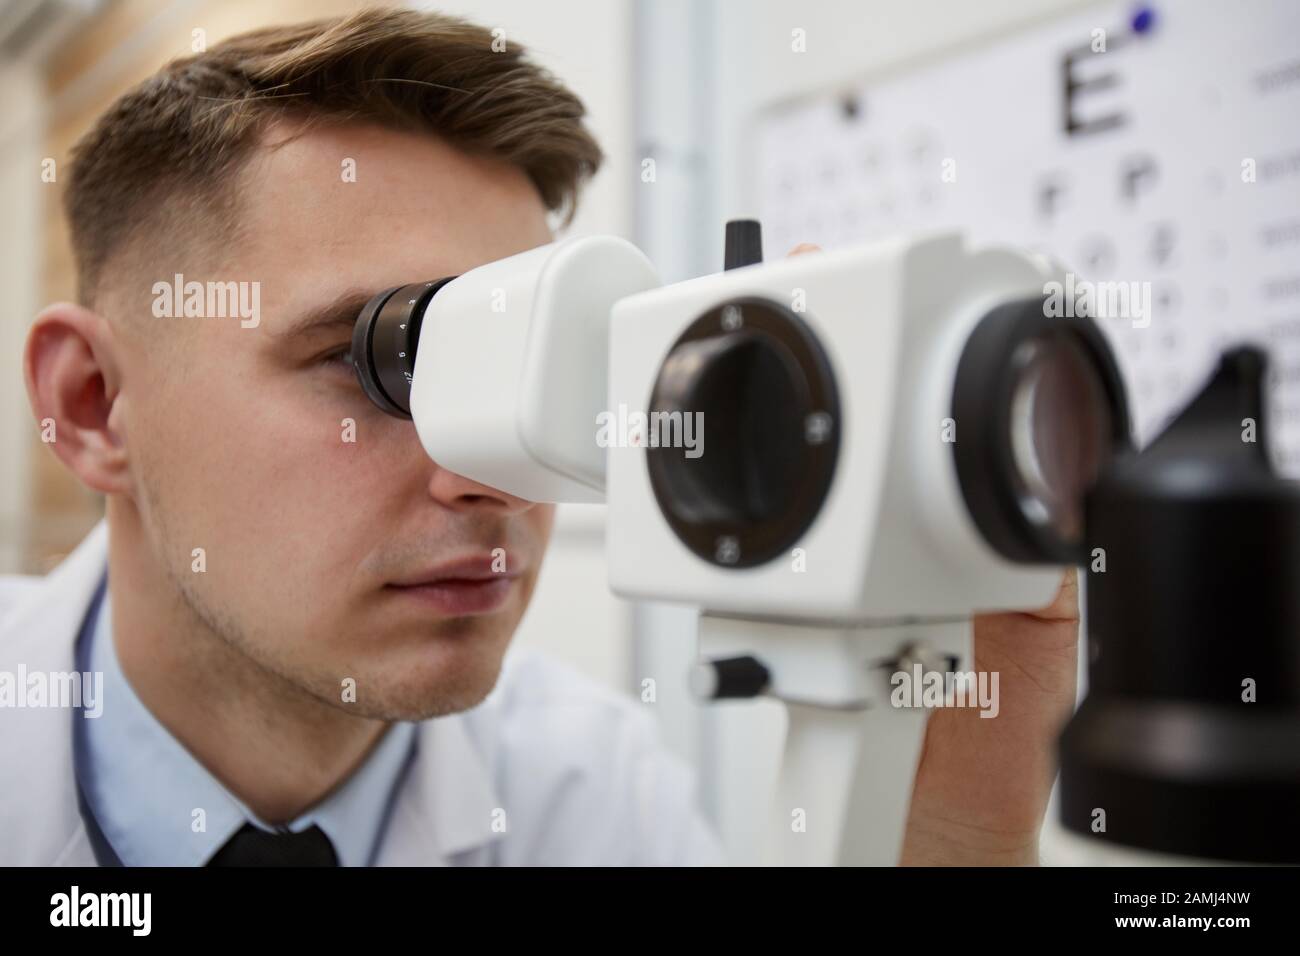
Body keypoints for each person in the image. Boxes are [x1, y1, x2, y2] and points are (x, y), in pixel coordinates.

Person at [0, 7, 1079, 866]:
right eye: (384, 359)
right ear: (95, 404)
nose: (491, 480)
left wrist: (949, 841)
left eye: (521, 361)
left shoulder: (592, 789)